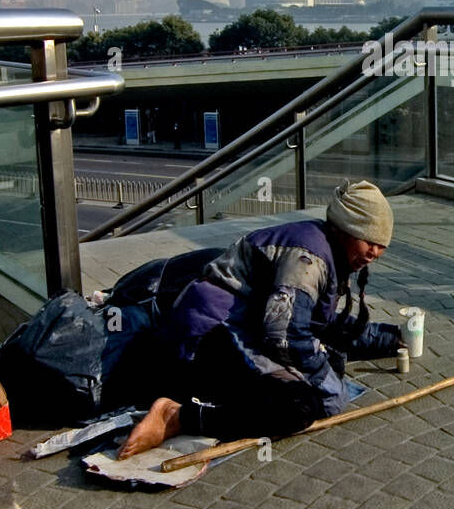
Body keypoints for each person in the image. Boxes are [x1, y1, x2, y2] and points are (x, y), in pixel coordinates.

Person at [118, 179, 401, 458]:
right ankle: (178, 416)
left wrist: (390, 338)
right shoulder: (307, 258)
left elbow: (323, 325)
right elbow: (286, 336)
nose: (374, 253)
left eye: (381, 244)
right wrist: (326, 383)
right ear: (344, 229)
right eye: (368, 241)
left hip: (240, 331)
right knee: (300, 405)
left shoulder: (327, 249)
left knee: (326, 368)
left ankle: (206, 399)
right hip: (209, 333)